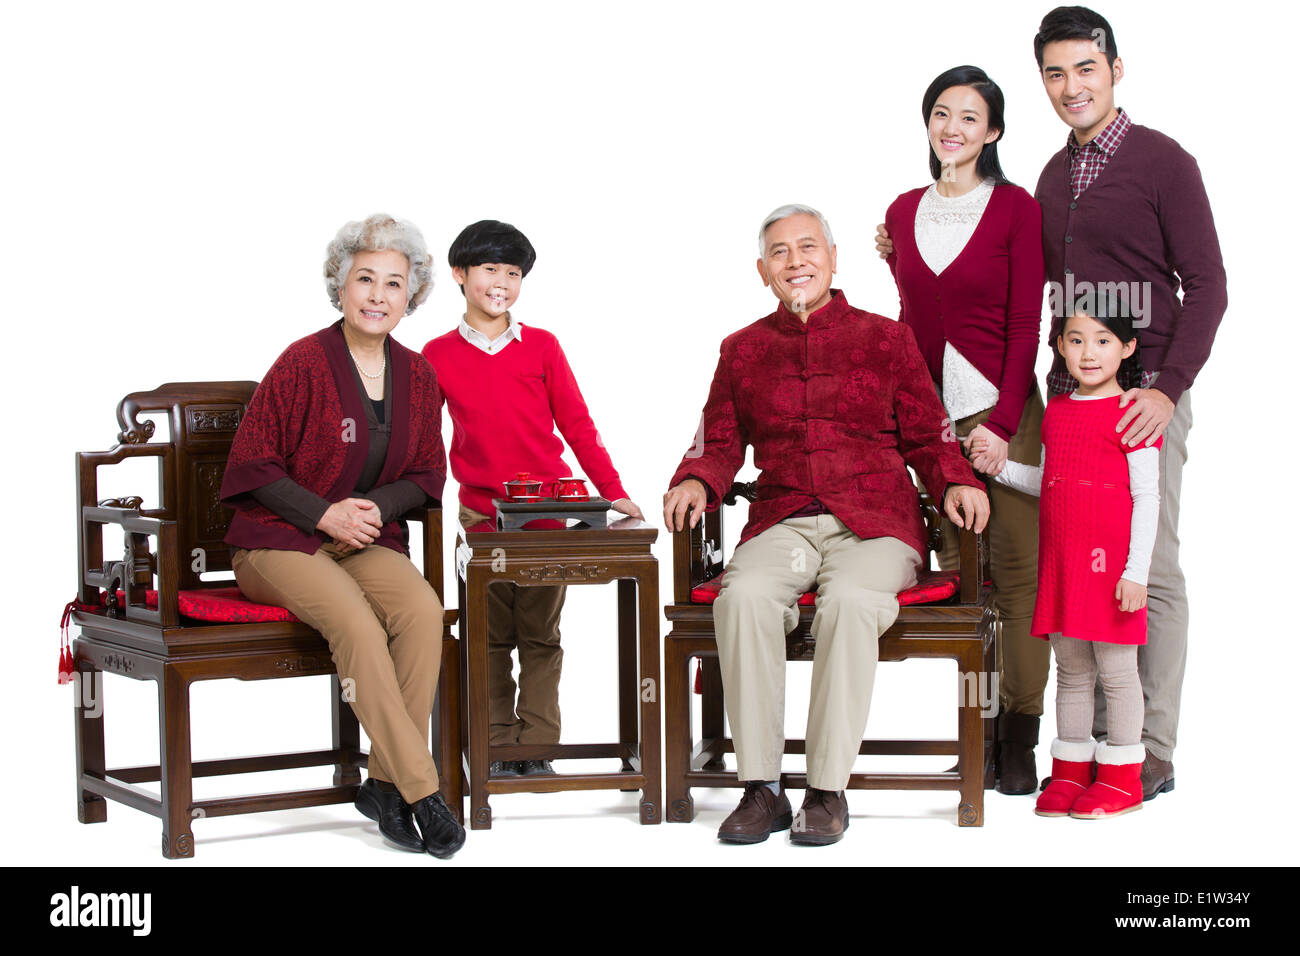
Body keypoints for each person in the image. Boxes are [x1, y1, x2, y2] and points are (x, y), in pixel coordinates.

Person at [876, 7, 1227, 801]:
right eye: (1056, 73)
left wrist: (1167, 391)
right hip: (1065, 401)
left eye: (1086, 69)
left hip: (1142, 398)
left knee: (1150, 566)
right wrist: (911, 245)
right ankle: (1092, 737)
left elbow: (1209, 284)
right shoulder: (1046, 178)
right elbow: (998, 277)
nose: (1072, 87)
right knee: (1072, 567)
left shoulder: (1164, 161)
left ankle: (1150, 746)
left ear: (1116, 69)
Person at [663, 204, 988, 846]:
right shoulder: (742, 349)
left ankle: (825, 790)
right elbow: (718, 441)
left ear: (834, 259)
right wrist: (697, 478)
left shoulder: (886, 340)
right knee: (745, 597)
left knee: (852, 601)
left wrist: (956, 480)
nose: (796, 262)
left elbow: (929, 434)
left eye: (808, 248)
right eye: (780, 253)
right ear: (763, 271)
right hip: (782, 521)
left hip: (875, 523)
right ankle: (762, 790)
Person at [220, 213, 465, 859]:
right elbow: (251, 463)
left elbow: (426, 475)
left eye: (394, 283)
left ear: (411, 296)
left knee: (419, 611)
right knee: (356, 625)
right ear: (341, 285)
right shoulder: (302, 360)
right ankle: (421, 790)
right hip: (277, 541)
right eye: (366, 279)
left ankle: (382, 787)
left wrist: (371, 509)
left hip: (366, 539)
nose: (378, 296)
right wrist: (323, 514)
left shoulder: (419, 375)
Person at [422, 219, 644, 777]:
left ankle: (538, 746)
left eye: (513, 272)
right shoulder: (436, 354)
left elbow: (577, 424)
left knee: (541, 634)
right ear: (459, 274)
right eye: (490, 269)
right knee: (490, 636)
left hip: (547, 515)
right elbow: (423, 442)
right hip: (481, 519)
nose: (502, 282)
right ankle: (498, 746)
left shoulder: (542, 346)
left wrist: (613, 494)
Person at [882, 65, 1048, 794]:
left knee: (1017, 581)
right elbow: (911, 321)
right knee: (959, 582)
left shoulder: (1014, 207)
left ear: (994, 132)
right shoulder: (899, 211)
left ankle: (1018, 736)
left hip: (1002, 412)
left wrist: (1005, 426)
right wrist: (910, 424)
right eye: (941, 113)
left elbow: (1022, 324)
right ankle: (974, 734)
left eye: (970, 117)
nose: (952, 127)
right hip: (931, 423)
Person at [991, 297, 1159, 817]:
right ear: (1060, 346)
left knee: (1116, 671)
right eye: (1077, 340)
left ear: (1127, 347)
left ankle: (1121, 776)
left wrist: (1136, 573)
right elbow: (1050, 482)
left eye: (1103, 341)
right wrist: (998, 468)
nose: (1089, 353)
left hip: (1111, 572)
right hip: (1063, 567)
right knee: (1071, 670)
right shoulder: (1058, 413)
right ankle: (1069, 772)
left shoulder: (1132, 411)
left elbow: (1146, 497)